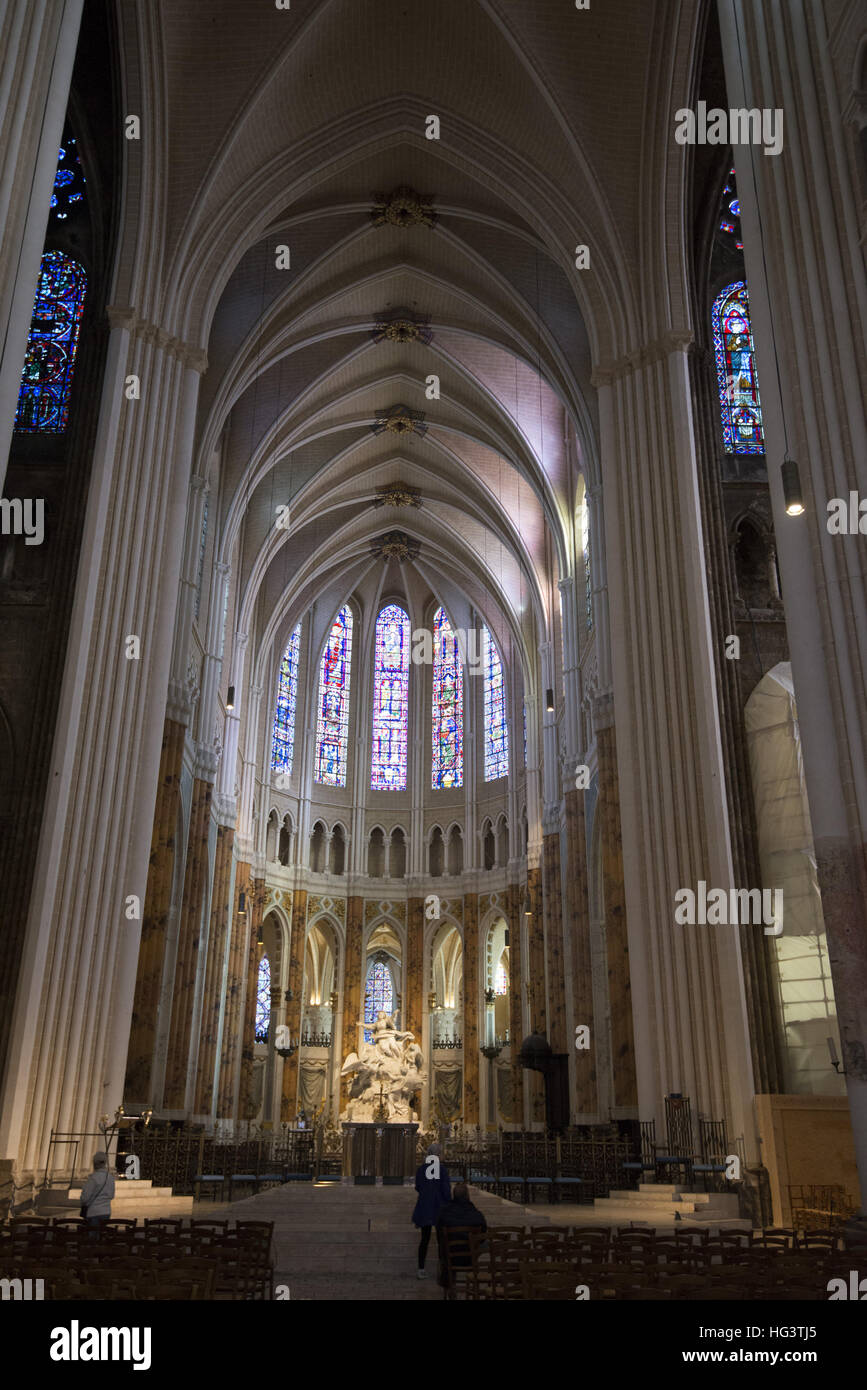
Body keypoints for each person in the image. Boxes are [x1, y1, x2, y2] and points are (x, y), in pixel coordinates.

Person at [435, 1181, 487, 1295]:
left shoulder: (445, 1213)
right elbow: (483, 1234)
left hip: (451, 1257)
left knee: (445, 1243)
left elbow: (439, 1235)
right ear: (468, 1196)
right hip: (470, 1256)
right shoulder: (475, 1214)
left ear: (453, 1195)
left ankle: (450, 1282)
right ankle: (475, 1273)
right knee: (485, 1243)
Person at [410, 1142, 451, 1279]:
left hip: (425, 1206)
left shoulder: (422, 1169)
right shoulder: (442, 1169)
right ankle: (442, 1268)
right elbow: (446, 1190)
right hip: (439, 1207)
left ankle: (421, 1268)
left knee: (425, 1239)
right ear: (438, 1154)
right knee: (441, 1240)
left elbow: (418, 1186)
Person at [79, 1151, 115, 1238]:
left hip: (93, 1212)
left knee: (92, 1238)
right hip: (106, 1211)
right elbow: (111, 1195)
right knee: (101, 1237)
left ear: (95, 1163)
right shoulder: (110, 1178)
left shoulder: (93, 1178)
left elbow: (85, 1197)